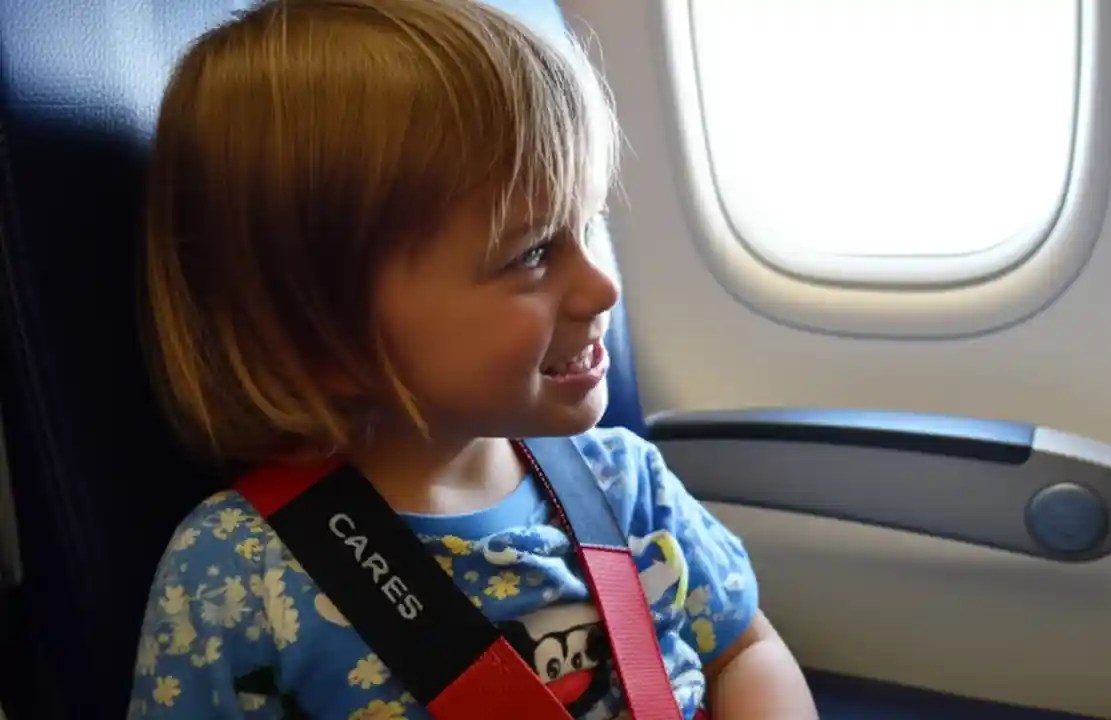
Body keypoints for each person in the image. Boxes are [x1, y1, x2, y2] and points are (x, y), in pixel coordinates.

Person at [127, 1, 817, 718]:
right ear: (322, 330)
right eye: (533, 253)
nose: (603, 285)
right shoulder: (241, 574)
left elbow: (743, 648)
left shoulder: (623, 482)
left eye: (587, 223)